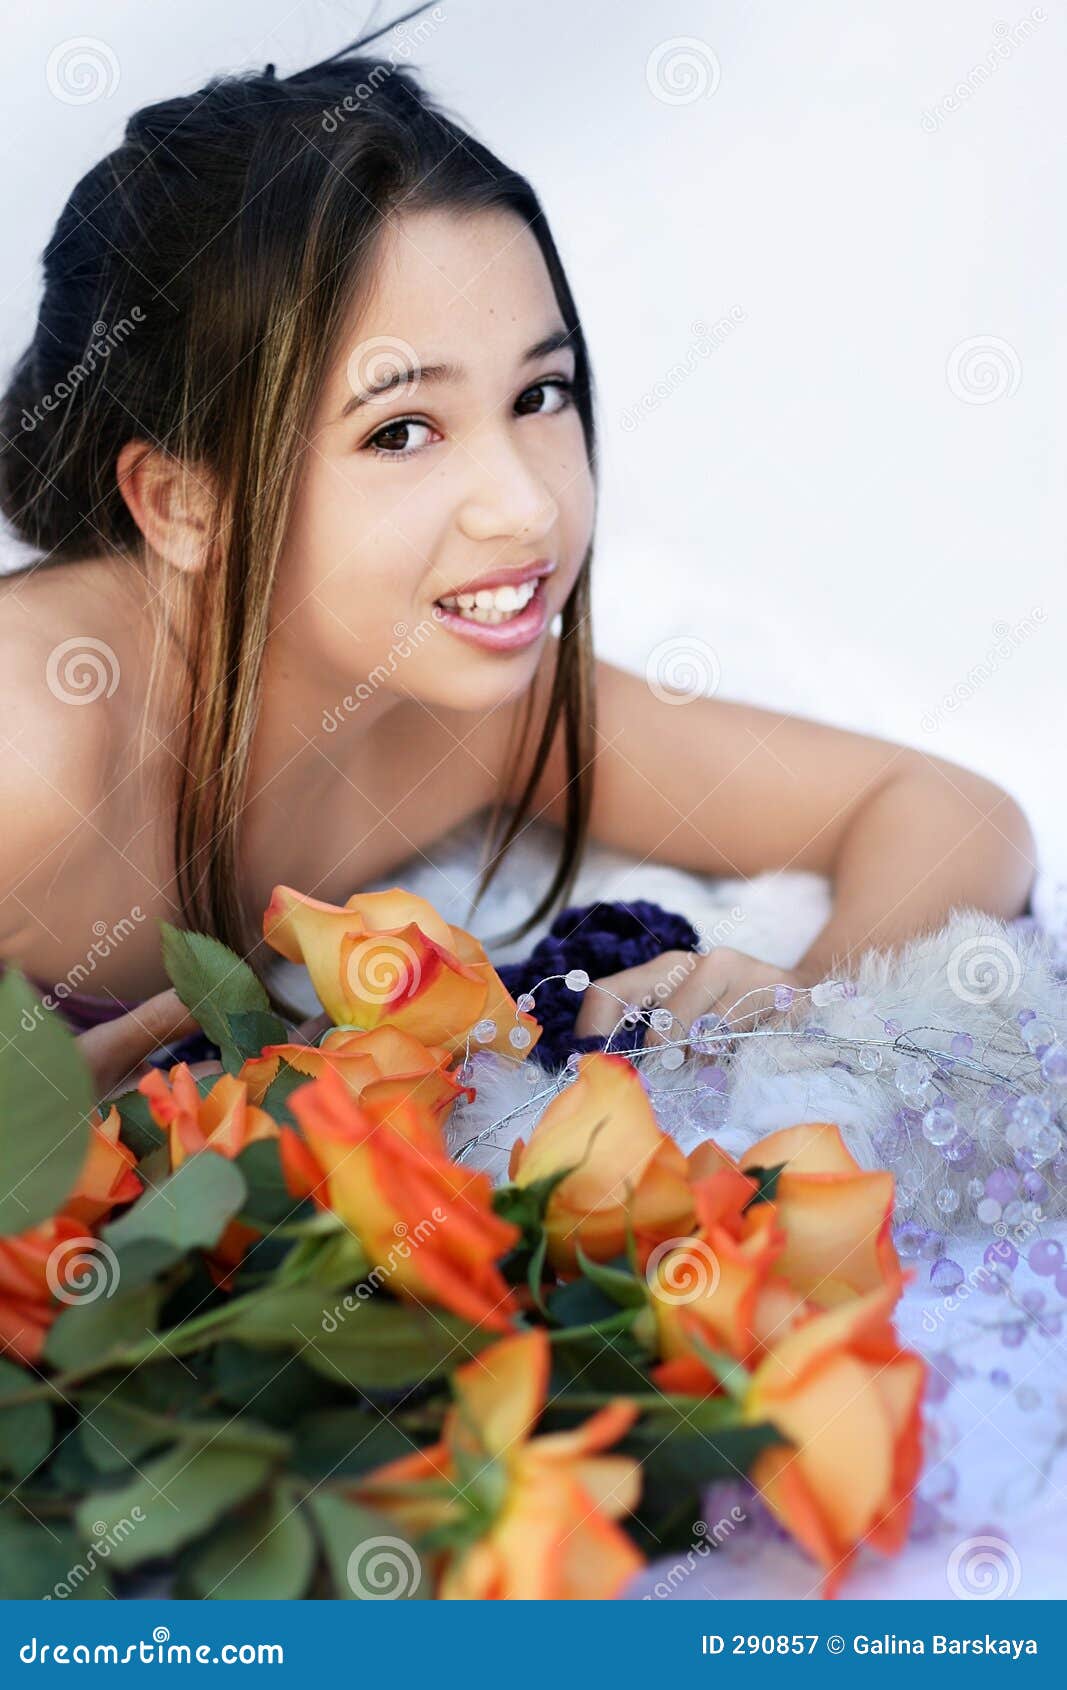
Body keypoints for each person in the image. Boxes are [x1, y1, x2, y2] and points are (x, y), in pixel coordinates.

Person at [0, 18, 1035, 1111]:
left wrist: (806, 1001)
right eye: (400, 430)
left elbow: (948, 808)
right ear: (179, 500)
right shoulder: (36, 749)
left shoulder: (468, 707)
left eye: (538, 395)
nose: (528, 503)